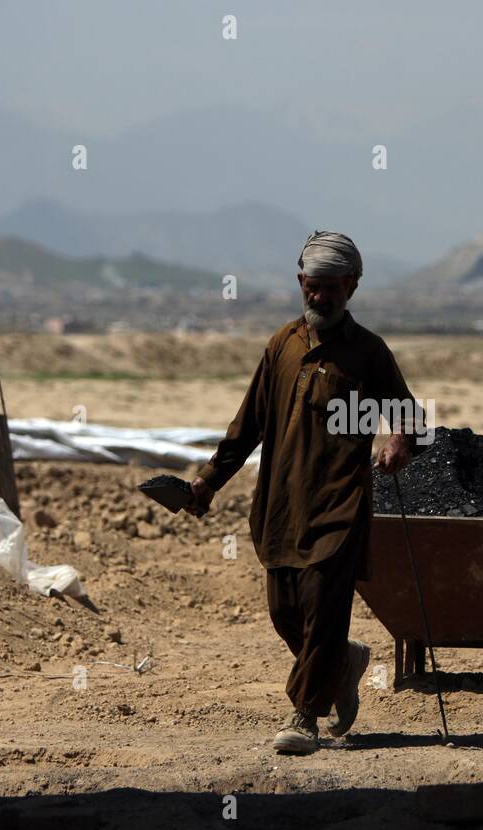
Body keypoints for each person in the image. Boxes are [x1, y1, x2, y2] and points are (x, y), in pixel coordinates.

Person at [187, 230, 425, 755]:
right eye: (313, 287)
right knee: (284, 613)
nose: (320, 297)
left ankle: (305, 716)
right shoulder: (282, 345)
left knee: (323, 610)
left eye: (332, 289)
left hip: (339, 504)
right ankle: (343, 662)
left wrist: (396, 442)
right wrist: (207, 480)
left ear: (352, 287)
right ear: (301, 282)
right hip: (279, 504)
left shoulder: (367, 353)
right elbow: (246, 425)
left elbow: (412, 418)